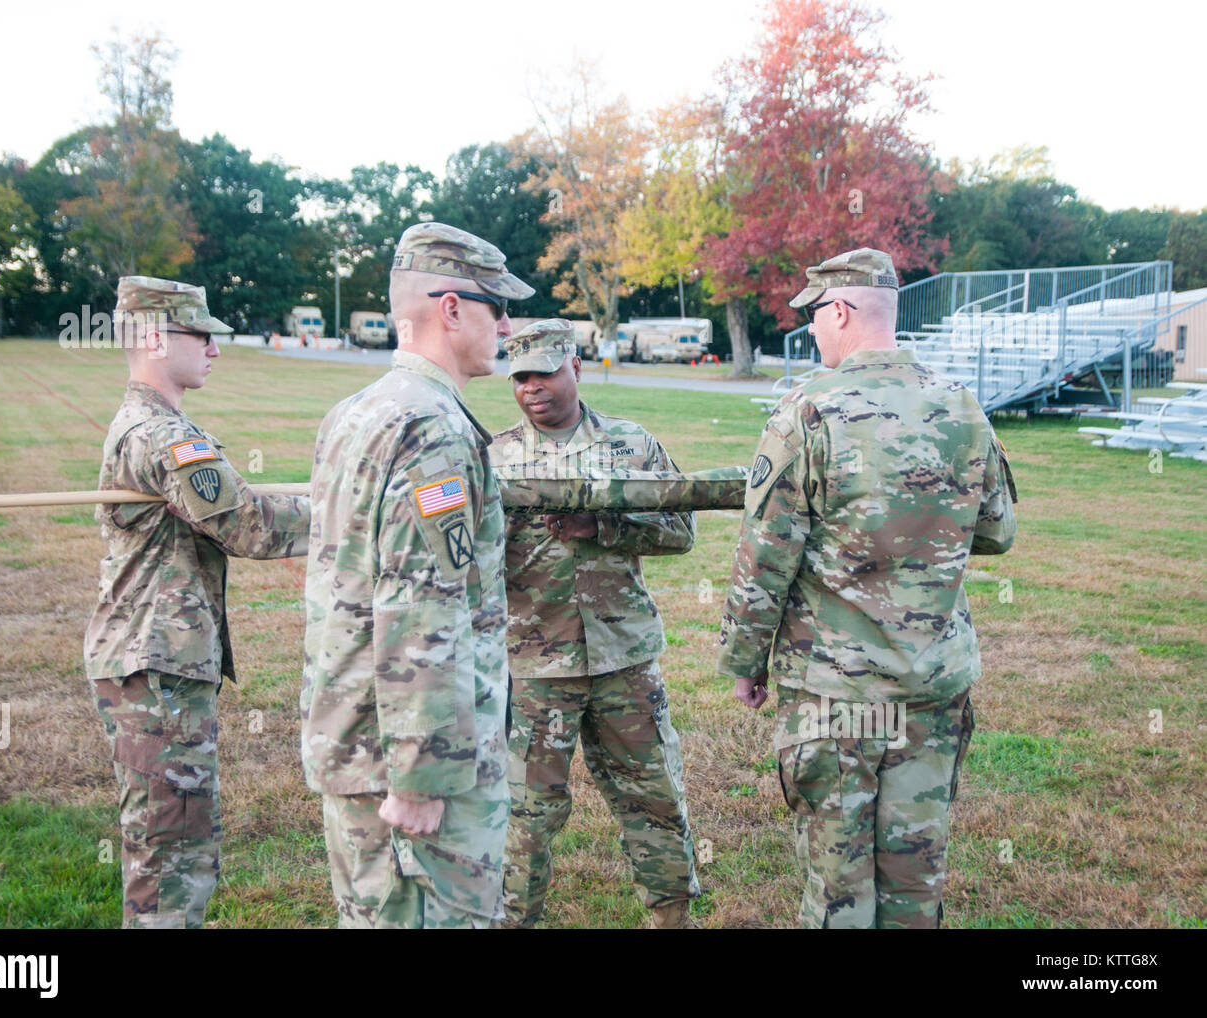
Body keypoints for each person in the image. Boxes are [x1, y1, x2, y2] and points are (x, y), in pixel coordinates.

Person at [718, 248, 1017, 929]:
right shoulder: (962, 407)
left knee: (839, 891)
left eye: (814, 316)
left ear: (843, 311)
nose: (811, 331)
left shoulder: (807, 411)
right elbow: (998, 531)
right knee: (916, 879)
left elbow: (765, 558)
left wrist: (743, 663)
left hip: (835, 696)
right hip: (932, 689)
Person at [300, 222, 532, 928]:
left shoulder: (356, 411)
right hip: (405, 760)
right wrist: (422, 773)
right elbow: (421, 607)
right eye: (496, 305)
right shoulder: (432, 427)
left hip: (356, 734)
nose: (507, 324)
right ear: (452, 309)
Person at [85, 276, 310, 929]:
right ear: (156, 337)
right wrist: (354, 511)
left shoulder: (165, 426)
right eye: (201, 334)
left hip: (158, 661)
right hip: (154, 670)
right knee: (171, 862)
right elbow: (246, 524)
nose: (215, 347)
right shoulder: (159, 437)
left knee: (179, 846)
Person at [492, 319, 700, 929]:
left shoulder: (630, 444)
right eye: (521, 377)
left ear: (576, 368)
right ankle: (513, 918)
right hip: (534, 665)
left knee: (653, 796)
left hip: (623, 660)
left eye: (546, 373)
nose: (533, 387)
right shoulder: (492, 454)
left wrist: (605, 527)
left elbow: (682, 529)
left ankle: (671, 917)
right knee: (526, 812)